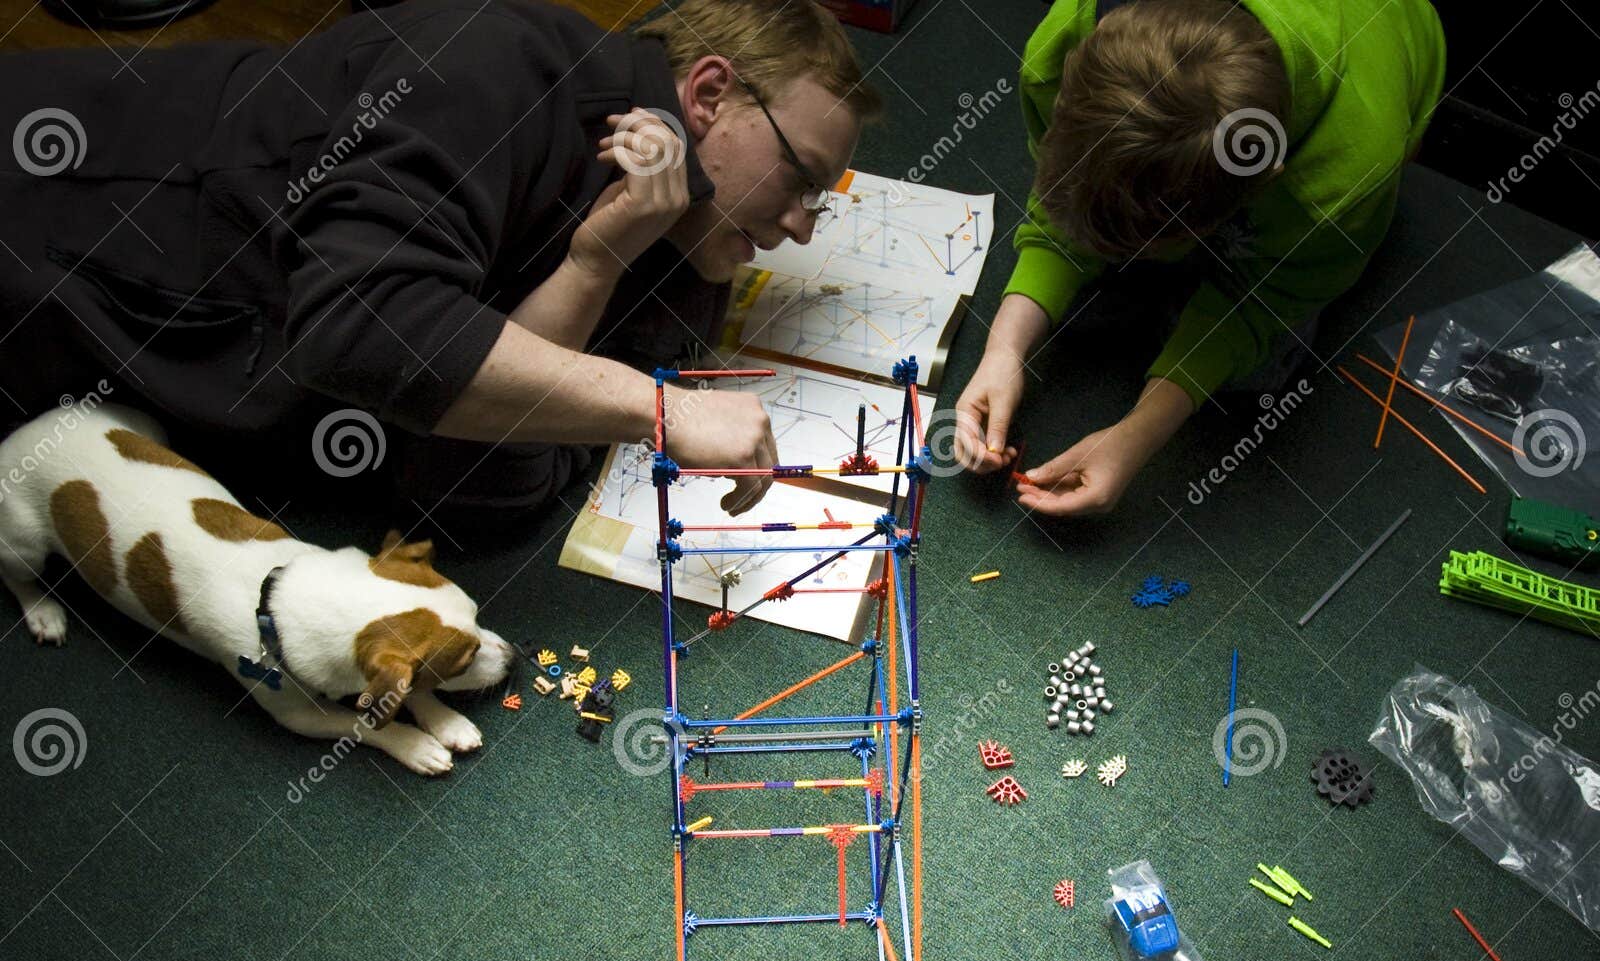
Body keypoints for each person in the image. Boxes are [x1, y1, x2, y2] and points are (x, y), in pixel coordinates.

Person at [0, 0, 879, 519]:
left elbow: (487, 479)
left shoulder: (679, 243)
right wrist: (656, 411)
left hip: (149, 371)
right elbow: (359, 329)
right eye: (800, 178)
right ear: (711, 94)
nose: (802, 225)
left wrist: (593, 264)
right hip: (63, 211)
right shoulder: (489, 70)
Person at [954, 0, 1445, 516]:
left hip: (1385, 49)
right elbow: (1064, 202)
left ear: (1262, 179)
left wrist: (1137, 435)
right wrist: (1004, 350)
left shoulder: (1338, 186)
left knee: (1252, 374)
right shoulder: (1060, 48)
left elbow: (1261, 303)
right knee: (1092, 306)